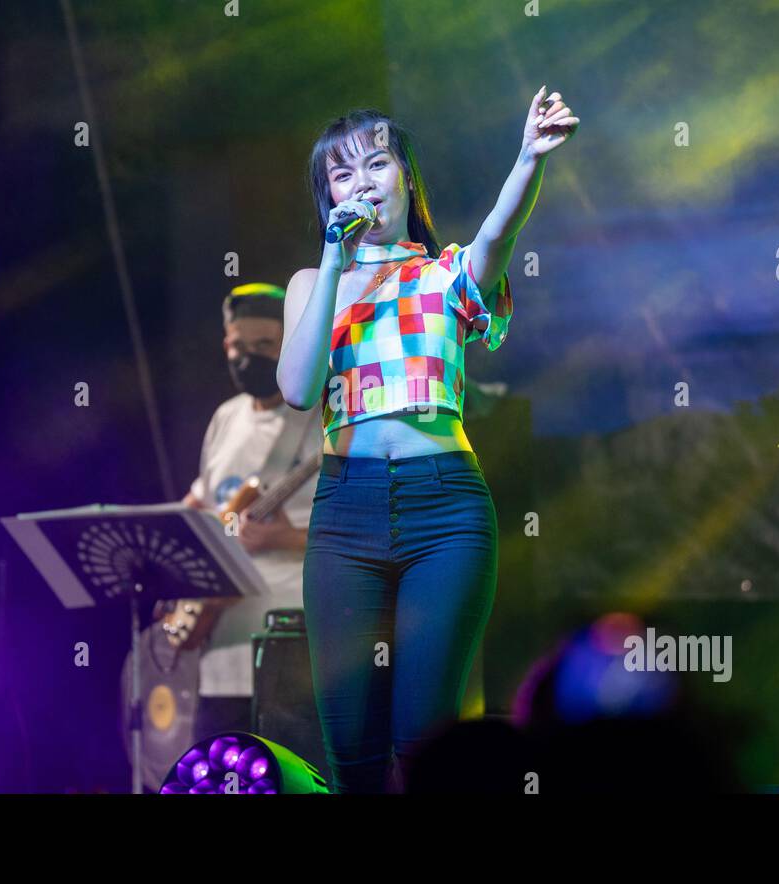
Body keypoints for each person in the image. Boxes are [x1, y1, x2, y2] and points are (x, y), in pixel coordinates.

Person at [277, 88, 579, 793]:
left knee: (424, 745)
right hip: (345, 512)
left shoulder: (443, 272)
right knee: (350, 746)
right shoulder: (312, 284)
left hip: (444, 509)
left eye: (376, 164)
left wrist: (528, 158)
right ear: (328, 199)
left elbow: (500, 232)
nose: (362, 183)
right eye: (342, 174)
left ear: (406, 178)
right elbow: (296, 388)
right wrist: (333, 262)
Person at [181, 284, 321, 740]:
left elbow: (370, 534)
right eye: (239, 346)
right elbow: (204, 505)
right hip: (221, 649)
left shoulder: (325, 416)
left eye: (265, 346)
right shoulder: (226, 417)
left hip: (293, 647)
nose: (248, 359)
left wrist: (285, 538)